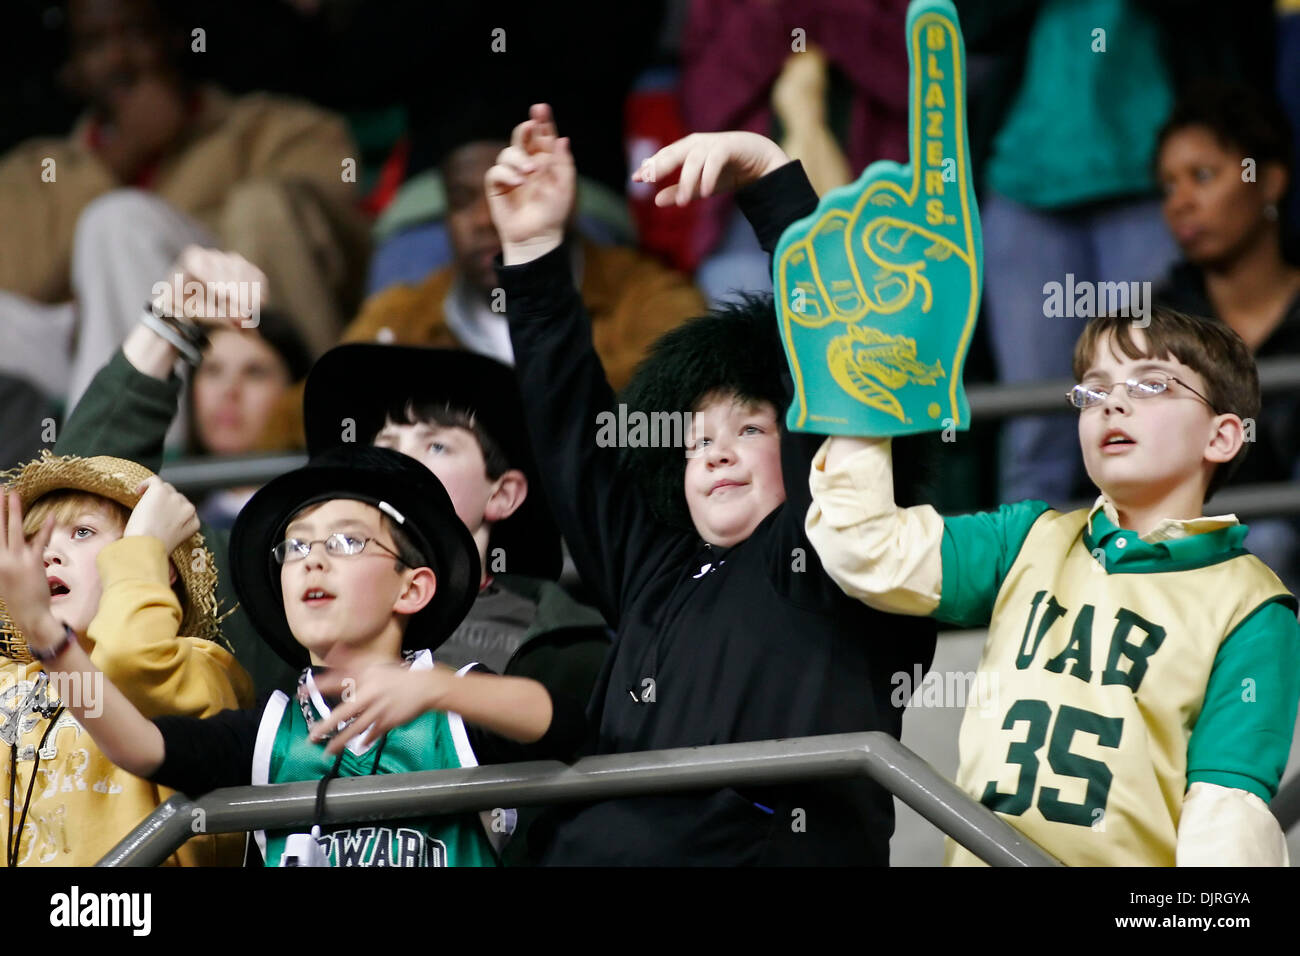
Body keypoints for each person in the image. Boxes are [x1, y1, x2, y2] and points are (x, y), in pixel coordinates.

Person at [488, 105, 937, 865]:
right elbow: (574, 434)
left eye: (750, 430)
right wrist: (532, 254)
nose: (718, 454)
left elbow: (843, 368)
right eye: (697, 442)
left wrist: (768, 179)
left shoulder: (837, 552)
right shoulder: (651, 568)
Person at [805, 305, 1300, 866]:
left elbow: (1226, 811)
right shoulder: (1026, 537)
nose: (1114, 402)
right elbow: (867, 550)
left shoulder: (1254, 606)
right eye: (1093, 391)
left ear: (1223, 436)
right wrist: (865, 402)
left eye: (1152, 384)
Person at [0, 445, 579, 867]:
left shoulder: (456, 711)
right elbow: (139, 745)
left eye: (347, 541)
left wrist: (442, 690)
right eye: (296, 545)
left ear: (414, 588)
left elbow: (558, 721)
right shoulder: (274, 729)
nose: (312, 560)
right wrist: (47, 639)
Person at [0, 0, 368, 408]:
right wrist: (122, 155)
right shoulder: (32, 170)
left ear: (177, 39)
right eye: (94, 44)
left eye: (136, 34)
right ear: (71, 71)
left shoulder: (269, 129)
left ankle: (130, 461)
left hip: (229, 343)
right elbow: (20, 283)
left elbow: (332, 235)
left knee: (120, 222)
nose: (118, 57)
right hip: (73, 352)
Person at [253, 135, 708, 451]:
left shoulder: (643, 294)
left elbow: (690, 404)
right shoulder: (405, 312)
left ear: (562, 199)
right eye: (462, 198)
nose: (482, 219)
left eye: (506, 190)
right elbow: (292, 420)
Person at [0, 453, 253, 865]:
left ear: (159, 566)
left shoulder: (197, 663)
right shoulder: (10, 677)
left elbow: (128, 659)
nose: (49, 554)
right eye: (34, 541)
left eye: (82, 532)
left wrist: (143, 547)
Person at [1153, 82, 1300, 589]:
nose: (1181, 203)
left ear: (1270, 182)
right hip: (1187, 552)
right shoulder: (1155, 323)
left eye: (1202, 176)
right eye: (1169, 186)